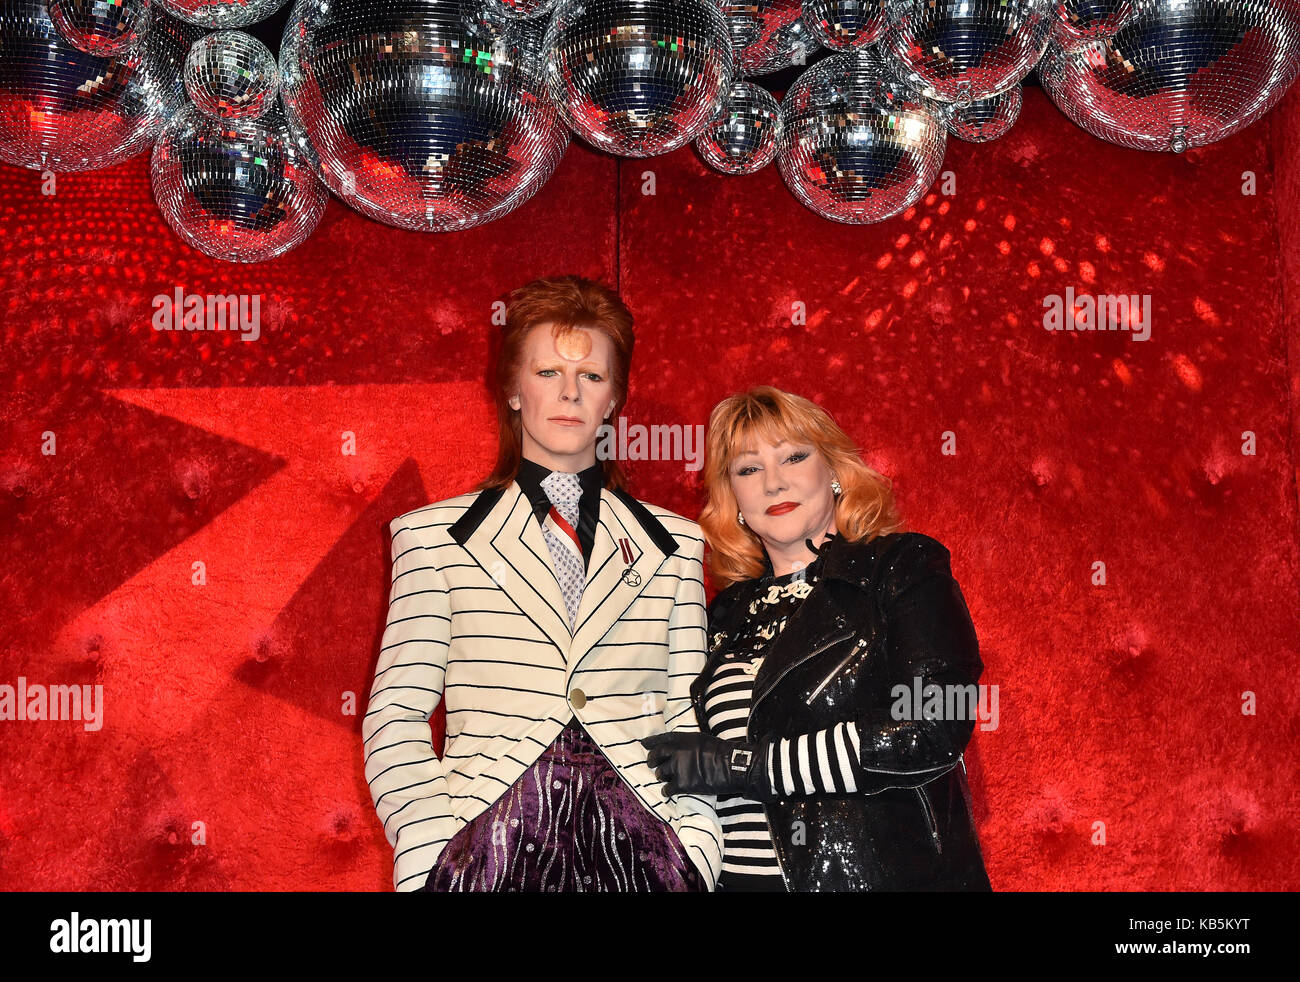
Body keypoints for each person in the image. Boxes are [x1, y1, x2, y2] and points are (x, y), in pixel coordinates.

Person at [363, 275, 722, 892]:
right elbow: (396, 713)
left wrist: (694, 846)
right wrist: (428, 845)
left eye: (591, 377)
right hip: (483, 844)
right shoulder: (432, 539)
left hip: (645, 850)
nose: (570, 393)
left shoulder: (678, 547)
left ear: (613, 399)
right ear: (511, 388)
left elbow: (688, 717)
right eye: (549, 372)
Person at [643, 385, 992, 891]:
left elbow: (934, 724)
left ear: (832, 471)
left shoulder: (900, 569)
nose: (773, 482)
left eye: (794, 456)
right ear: (734, 499)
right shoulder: (723, 614)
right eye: (747, 469)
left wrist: (744, 766)